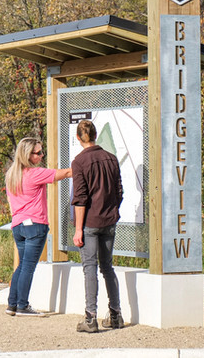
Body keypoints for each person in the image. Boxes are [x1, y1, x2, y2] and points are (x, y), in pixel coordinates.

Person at [4, 137, 72, 317]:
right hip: (35, 225)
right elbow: (64, 174)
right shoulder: (35, 173)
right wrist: (83, 167)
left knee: (21, 266)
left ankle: (12, 304)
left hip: (18, 225)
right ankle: (22, 305)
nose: (41, 156)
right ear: (27, 154)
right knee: (28, 267)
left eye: (42, 152)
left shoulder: (12, 174)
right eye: (38, 153)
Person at [71, 119, 125, 332]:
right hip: (109, 220)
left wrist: (78, 229)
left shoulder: (79, 162)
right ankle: (115, 314)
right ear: (94, 135)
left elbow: (80, 198)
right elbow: (119, 191)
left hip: (90, 222)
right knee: (107, 267)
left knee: (89, 268)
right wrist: (112, 210)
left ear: (78, 138)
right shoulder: (111, 159)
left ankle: (90, 318)